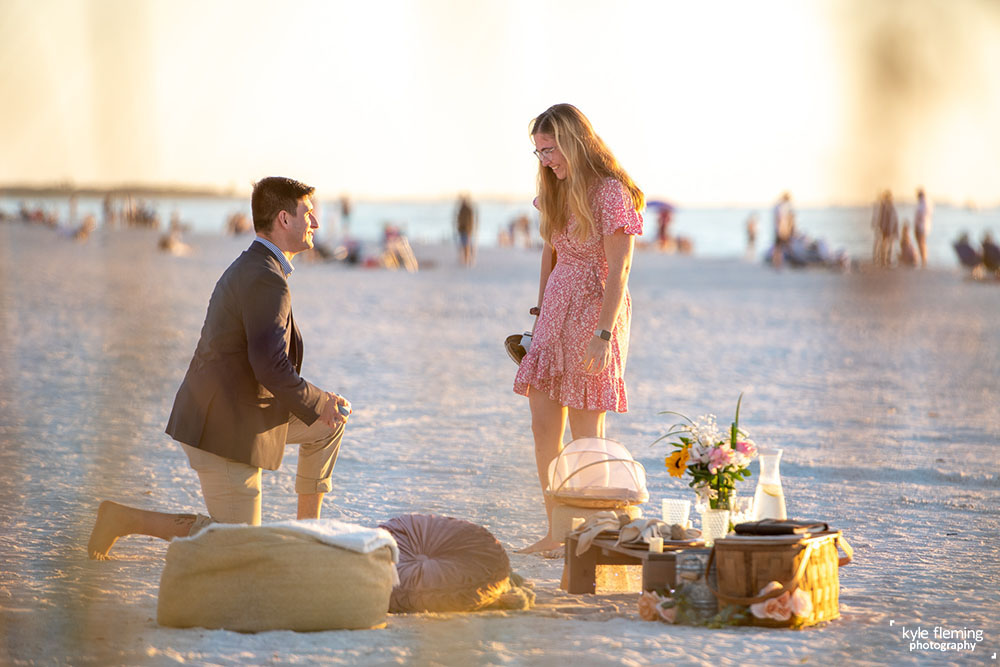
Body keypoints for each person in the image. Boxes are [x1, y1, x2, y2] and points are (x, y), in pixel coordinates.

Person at [88, 177, 352, 559]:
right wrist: (317, 399)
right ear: (283, 219)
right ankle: (124, 519)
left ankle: (309, 539)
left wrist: (322, 405)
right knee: (242, 549)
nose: (316, 224)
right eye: (308, 214)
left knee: (329, 422)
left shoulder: (259, 267)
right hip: (222, 429)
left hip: (244, 410)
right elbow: (271, 367)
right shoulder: (265, 279)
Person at [512, 104, 644, 555]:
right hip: (555, 311)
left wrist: (604, 334)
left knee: (587, 436)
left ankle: (590, 533)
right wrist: (539, 314)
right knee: (543, 426)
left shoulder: (608, 193)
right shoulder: (555, 191)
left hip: (594, 310)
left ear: (573, 140)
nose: (545, 159)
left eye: (549, 148)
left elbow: (621, 266)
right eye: (538, 152)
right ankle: (558, 531)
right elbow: (549, 256)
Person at [872, 190, 899, 267]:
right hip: (887, 229)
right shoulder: (886, 206)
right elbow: (885, 219)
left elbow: (891, 219)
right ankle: (885, 260)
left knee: (887, 245)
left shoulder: (887, 206)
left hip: (888, 228)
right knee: (886, 245)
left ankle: (885, 260)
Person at [455, 194, 477, 267]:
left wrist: (470, 230)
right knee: (464, 245)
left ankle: (467, 259)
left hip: (467, 230)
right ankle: (466, 259)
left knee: (467, 245)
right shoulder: (461, 209)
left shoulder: (468, 209)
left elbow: (470, 220)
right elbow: (459, 220)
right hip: (462, 229)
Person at [913, 188, 932, 268]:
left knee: (921, 243)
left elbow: (920, 215)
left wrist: (917, 224)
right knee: (922, 243)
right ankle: (923, 260)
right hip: (924, 226)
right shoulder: (926, 203)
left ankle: (923, 260)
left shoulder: (923, 203)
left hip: (921, 226)